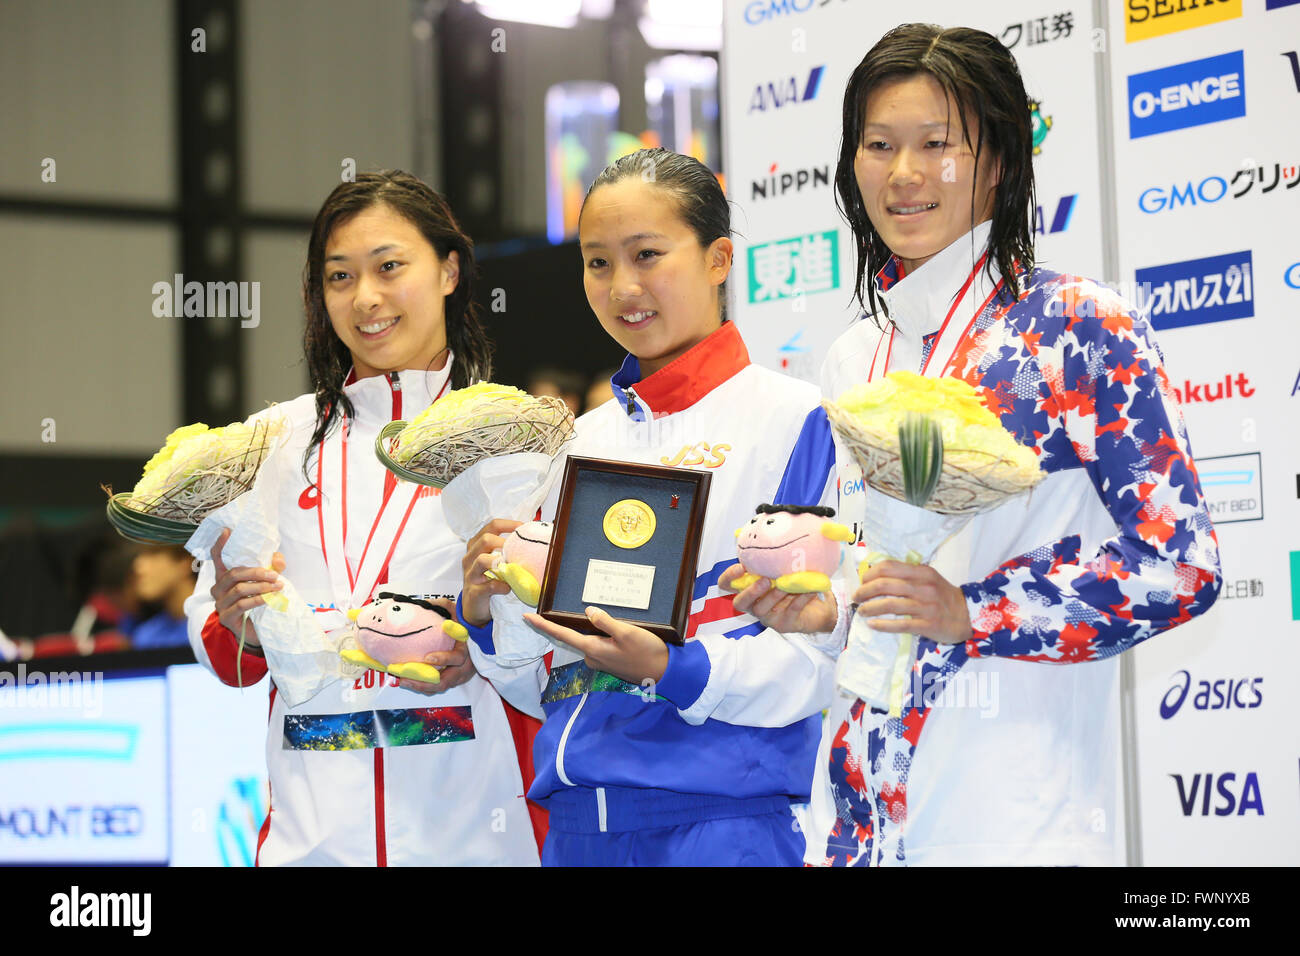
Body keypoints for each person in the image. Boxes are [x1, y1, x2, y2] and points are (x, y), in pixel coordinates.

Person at [732, 24, 1221, 866]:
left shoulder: (1080, 328)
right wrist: (828, 610)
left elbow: (1180, 565)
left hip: (1012, 816)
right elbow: (875, 575)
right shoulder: (857, 355)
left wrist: (976, 612)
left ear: (997, 160)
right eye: (879, 145)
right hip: (854, 822)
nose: (905, 173)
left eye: (937, 144)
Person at [457, 148, 839, 866]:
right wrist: (486, 616)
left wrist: (672, 669)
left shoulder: (797, 419)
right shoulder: (574, 445)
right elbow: (543, 678)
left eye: (647, 254)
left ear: (719, 259)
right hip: (578, 825)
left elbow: (816, 654)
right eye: (597, 262)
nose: (622, 286)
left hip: (728, 821)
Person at [184, 171, 541, 866]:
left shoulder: (518, 439)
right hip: (311, 836)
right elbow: (216, 636)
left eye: (389, 267)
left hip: (478, 830)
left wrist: (485, 640)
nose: (365, 298)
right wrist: (237, 622)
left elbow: (557, 639)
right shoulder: (268, 444)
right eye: (340, 276)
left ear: (448, 269)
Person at [131, 544, 197, 649]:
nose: (139, 568)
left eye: (153, 554)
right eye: (139, 555)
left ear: (184, 562)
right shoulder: (146, 636)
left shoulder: (221, 625)